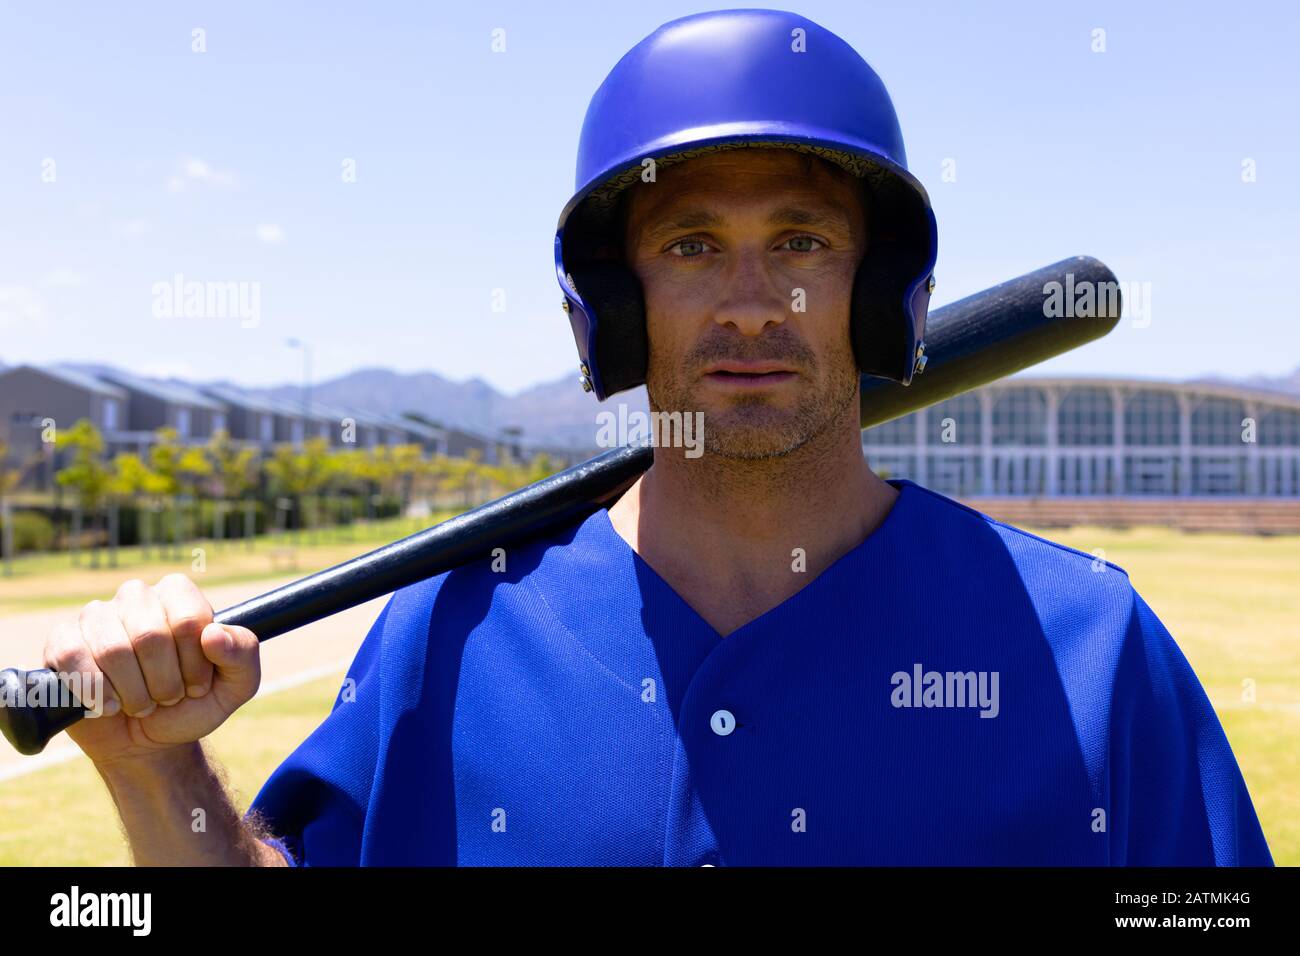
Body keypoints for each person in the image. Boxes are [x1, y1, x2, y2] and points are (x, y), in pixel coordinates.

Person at [44, 9, 1271, 866]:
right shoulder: (455, 636)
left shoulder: (1091, 650)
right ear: (613, 304)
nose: (750, 301)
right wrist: (154, 770)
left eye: (800, 241)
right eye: (690, 247)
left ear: (877, 284)